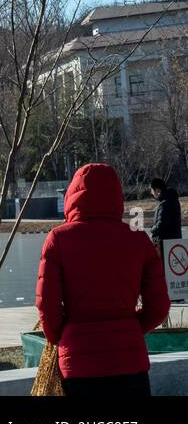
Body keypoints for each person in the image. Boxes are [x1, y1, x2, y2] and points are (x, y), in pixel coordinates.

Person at [35, 162, 171, 396]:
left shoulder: (58, 240)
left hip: (79, 365)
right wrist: (128, 329)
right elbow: (159, 307)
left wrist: (66, 337)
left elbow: (47, 308)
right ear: (116, 195)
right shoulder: (138, 241)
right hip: (130, 362)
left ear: (72, 195)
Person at [150, 177, 182, 247]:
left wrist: (151, 230)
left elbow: (161, 224)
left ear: (158, 191)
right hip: (174, 242)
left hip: (165, 244)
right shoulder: (173, 200)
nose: (151, 193)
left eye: (152, 190)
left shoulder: (164, 204)